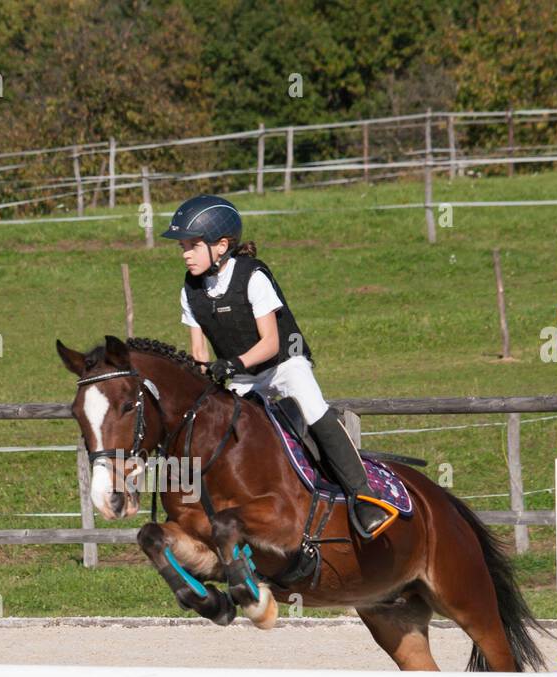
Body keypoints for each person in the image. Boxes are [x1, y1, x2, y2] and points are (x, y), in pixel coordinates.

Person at [161, 193, 392, 539]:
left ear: (221, 246)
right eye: (182, 247)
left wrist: (232, 364)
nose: (185, 254)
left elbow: (269, 342)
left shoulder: (252, 277)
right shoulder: (190, 289)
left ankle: (364, 496)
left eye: (193, 246)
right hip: (241, 378)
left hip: (284, 365)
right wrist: (201, 378)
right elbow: (198, 349)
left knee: (314, 411)